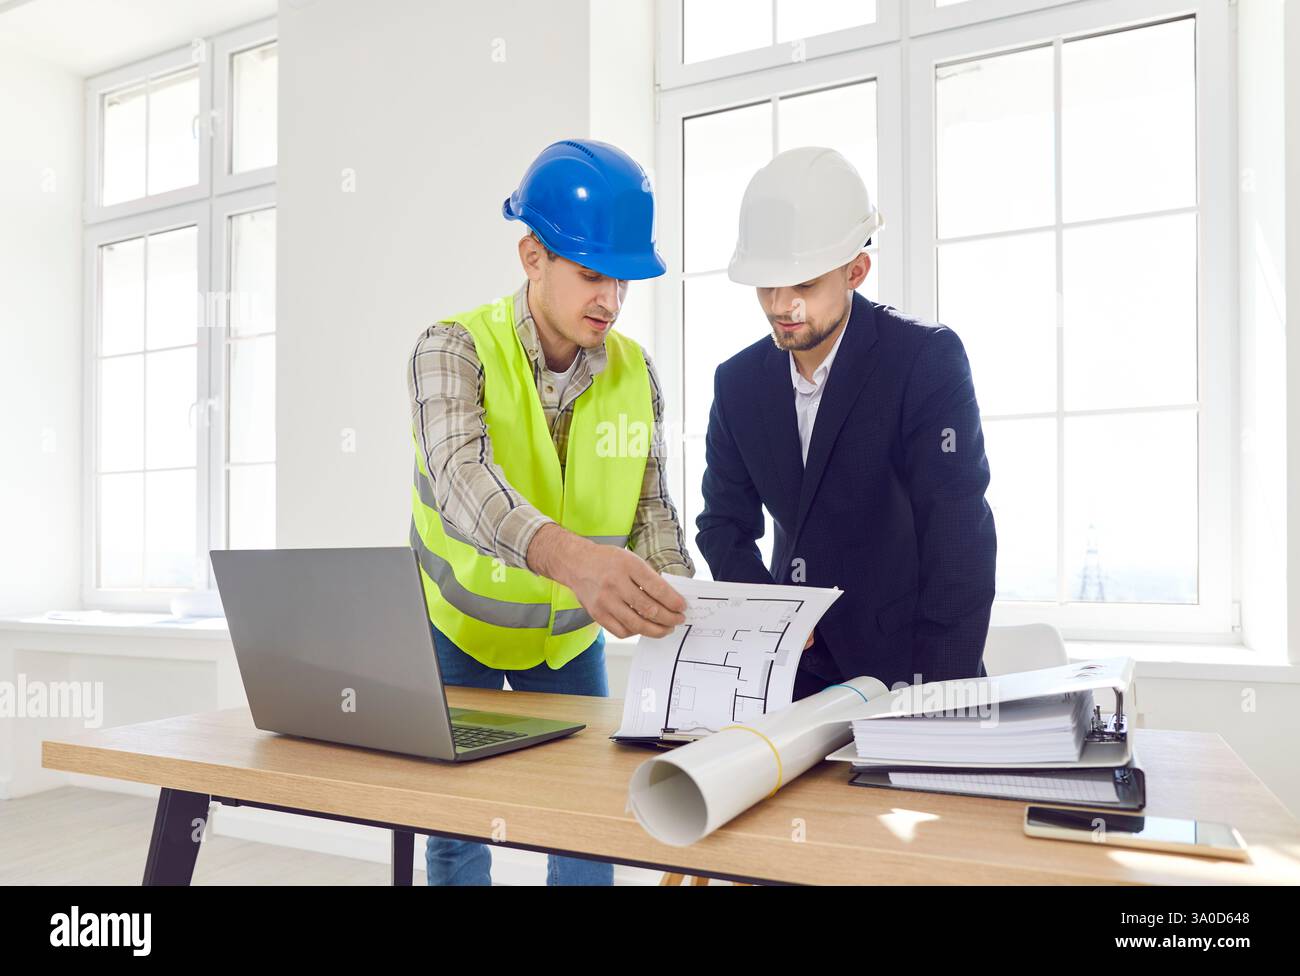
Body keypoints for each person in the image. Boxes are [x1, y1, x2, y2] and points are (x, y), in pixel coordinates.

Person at [407, 139, 695, 885]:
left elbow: (652, 513)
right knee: (457, 826)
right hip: (457, 627)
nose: (611, 300)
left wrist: (693, 613)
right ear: (531, 256)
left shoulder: (635, 373)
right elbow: (462, 482)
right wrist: (578, 563)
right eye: (592, 274)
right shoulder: (451, 348)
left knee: (588, 820)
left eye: (622, 279)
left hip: (567, 641)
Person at [697, 146, 996, 701]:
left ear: (856, 270)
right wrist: (772, 613)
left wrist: (939, 700)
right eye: (767, 285)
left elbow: (958, 535)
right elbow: (722, 526)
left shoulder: (924, 359)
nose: (782, 305)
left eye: (804, 284)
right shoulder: (736, 383)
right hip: (791, 677)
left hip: (912, 669)